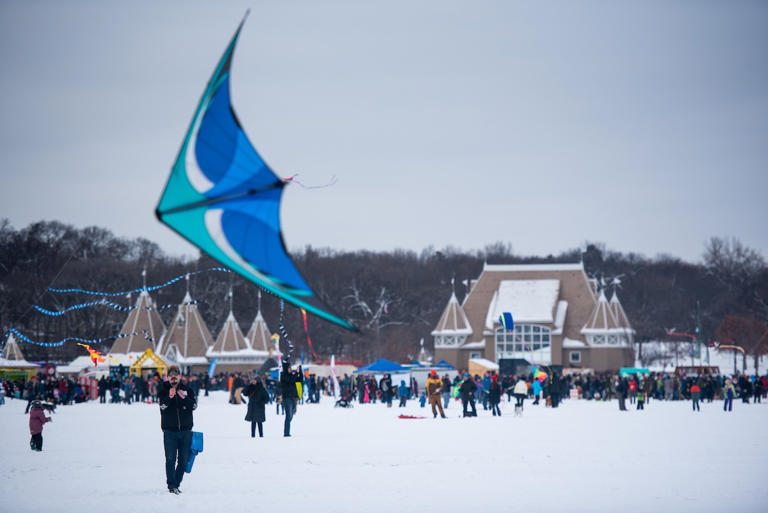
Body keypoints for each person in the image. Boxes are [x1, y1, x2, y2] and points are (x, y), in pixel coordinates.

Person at [158, 366, 196, 494]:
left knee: (184, 459)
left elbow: (194, 406)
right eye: (171, 376)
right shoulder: (163, 391)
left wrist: (184, 398)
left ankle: (176, 483)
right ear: (168, 377)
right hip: (170, 431)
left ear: (180, 377)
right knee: (170, 459)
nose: (173, 378)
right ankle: (171, 485)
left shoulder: (187, 390)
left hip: (186, 431)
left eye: (176, 375)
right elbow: (162, 407)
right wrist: (169, 397)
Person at [280, 361, 301, 436]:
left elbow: (298, 381)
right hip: (287, 398)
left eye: (291, 368)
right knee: (288, 415)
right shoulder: (283, 375)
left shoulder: (291, 375)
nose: (291, 369)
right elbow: (290, 380)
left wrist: (299, 373)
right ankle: (286, 433)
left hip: (292, 397)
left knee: (291, 415)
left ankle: (287, 430)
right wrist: (296, 374)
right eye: (289, 368)